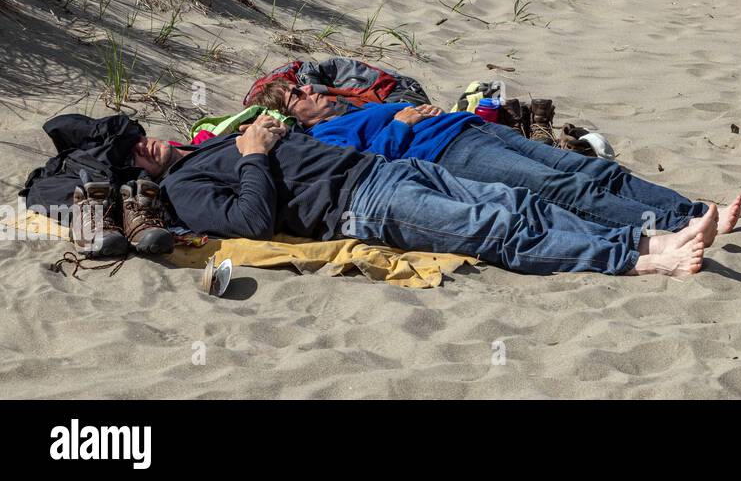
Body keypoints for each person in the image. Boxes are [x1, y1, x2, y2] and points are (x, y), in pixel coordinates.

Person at [138, 116, 711, 277]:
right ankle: (636, 258)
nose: (150, 146)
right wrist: (256, 154)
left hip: (388, 169)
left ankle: (649, 233)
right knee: (495, 229)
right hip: (362, 206)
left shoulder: (208, 147)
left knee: (523, 206)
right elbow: (252, 221)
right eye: (137, 153)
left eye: (143, 136)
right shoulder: (183, 188)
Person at [254, 83, 741, 236]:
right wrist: (400, 125)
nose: (312, 90)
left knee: (591, 168)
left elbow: (406, 108)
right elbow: (368, 168)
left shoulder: (357, 103)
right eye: (299, 92)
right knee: (565, 190)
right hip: (447, 154)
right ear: (293, 113)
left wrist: (429, 110)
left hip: (467, 128)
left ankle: (695, 210)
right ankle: (678, 227)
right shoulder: (322, 138)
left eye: (308, 84)